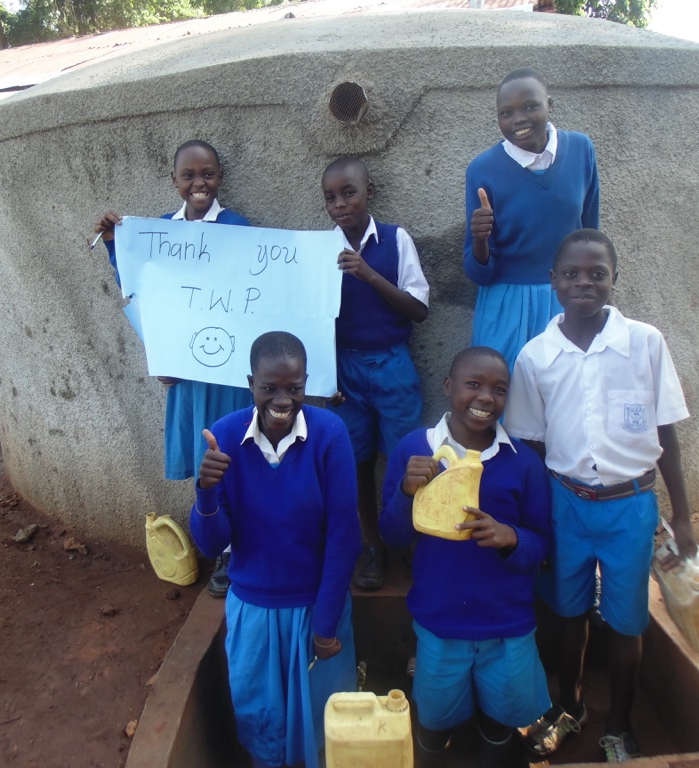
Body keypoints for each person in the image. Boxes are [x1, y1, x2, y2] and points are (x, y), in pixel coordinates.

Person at [503, 229, 699, 763]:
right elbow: (532, 445)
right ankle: (570, 704)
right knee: (566, 612)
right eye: (571, 273)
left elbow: (667, 438)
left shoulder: (645, 344)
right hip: (566, 502)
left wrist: (681, 516)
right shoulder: (536, 357)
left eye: (597, 273)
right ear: (553, 282)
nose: (583, 282)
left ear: (615, 279)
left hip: (631, 506)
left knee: (626, 618)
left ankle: (620, 722)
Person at [190, 331, 360, 768]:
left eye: (295, 387)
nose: (282, 400)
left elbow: (344, 536)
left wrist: (325, 625)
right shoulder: (224, 437)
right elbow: (212, 544)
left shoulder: (329, 434)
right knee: (263, 724)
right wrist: (206, 493)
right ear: (251, 383)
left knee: (325, 726)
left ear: (306, 382)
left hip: (316, 609)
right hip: (254, 612)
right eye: (269, 388)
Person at [379, 345, 552, 768]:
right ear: (448, 387)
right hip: (440, 624)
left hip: (507, 626)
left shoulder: (522, 463)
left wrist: (511, 537)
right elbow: (392, 536)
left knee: (500, 725)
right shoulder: (414, 450)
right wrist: (406, 491)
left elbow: (543, 544)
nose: (485, 398)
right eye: (473, 384)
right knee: (434, 724)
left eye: (499, 389)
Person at [94, 139, 251, 597]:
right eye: (189, 176)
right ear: (175, 181)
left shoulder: (238, 228)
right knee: (207, 462)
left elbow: (255, 294)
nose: (199, 183)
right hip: (186, 371)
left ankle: (237, 550)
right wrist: (113, 244)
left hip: (229, 371)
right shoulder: (159, 231)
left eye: (207, 174)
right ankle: (218, 545)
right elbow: (143, 291)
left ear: (219, 178)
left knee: (235, 456)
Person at [322, 157, 430, 590]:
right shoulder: (319, 250)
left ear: (371, 190)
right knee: (357, 463)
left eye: (349, 192)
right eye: (330, 197)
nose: (340, 204)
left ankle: (413, 539)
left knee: (405, 457)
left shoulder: (395, 240)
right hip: (345, 369)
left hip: (392, 364)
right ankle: (373, 546)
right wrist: (324, 380)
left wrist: (369, 275)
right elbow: (313, 320)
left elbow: (419, 310)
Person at [464, 68, 600, 369]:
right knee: (508, 402)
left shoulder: (580, 151)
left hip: (567, 299)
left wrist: (599, 298)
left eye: (530, 106)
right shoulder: (482, 170)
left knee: (569, 396)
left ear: (550, 104)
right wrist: (479, 239)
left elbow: (591, 237)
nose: (518, 120)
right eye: (506, 112)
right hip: (506, 307)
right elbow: (478, 273)